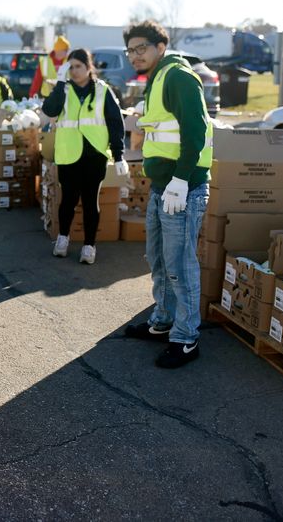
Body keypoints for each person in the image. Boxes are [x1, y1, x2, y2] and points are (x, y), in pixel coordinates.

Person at [120, 20, 213, 369]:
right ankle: (163, 321)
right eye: (130, 50)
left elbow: (196, 131)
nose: (135, 55)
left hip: (182, 188)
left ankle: (186, 338)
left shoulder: (178, 77)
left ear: (161, 47)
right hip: (163, 187)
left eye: (141, 48)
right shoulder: (157, 78)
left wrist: (181, 180)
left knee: (180, 266)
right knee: (159, 260)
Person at [41, 48, 125, 265]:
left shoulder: (103, 90)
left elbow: (116, 123)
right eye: (70, 67)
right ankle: (62, 239)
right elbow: (49, 110)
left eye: (78, 66)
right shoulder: (63, 89)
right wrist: (60, 83)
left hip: (94, 154)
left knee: (90, 201)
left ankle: (89, 246)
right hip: (68, 154)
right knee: (68, 200)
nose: (74, 71)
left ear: (89, 68)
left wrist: (119, 154)